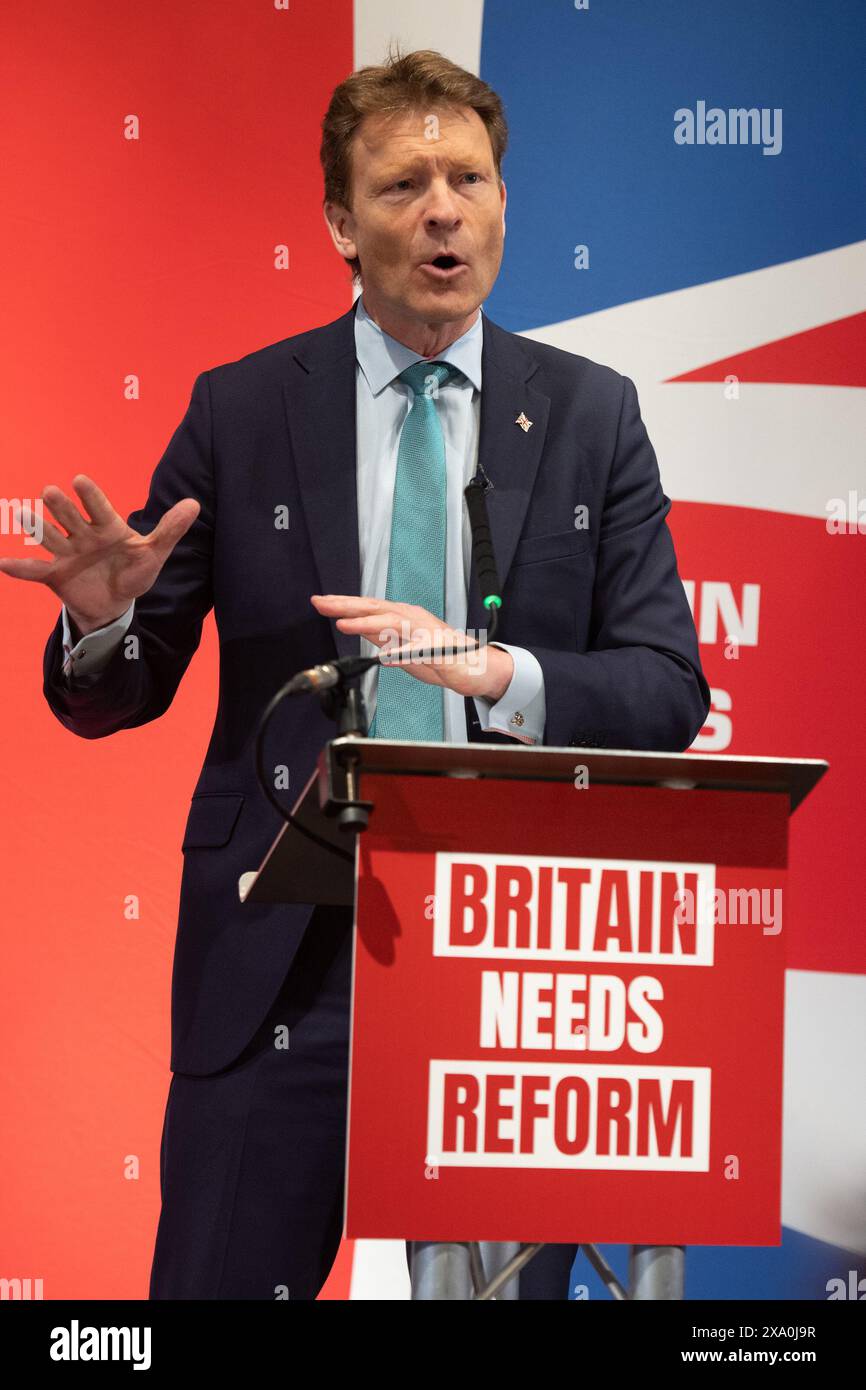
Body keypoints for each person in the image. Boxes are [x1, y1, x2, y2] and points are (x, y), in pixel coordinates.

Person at [1, 47, 710, 1299]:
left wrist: (503, 675)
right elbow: (124, 687)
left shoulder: (593, 415)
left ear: (502, 202)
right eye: (402, 185)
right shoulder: (243, 408)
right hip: (287, 945)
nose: (444, 209)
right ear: (337, 222)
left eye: (469, 178)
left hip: (511, 961)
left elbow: (665, 687)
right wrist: (106, 624)